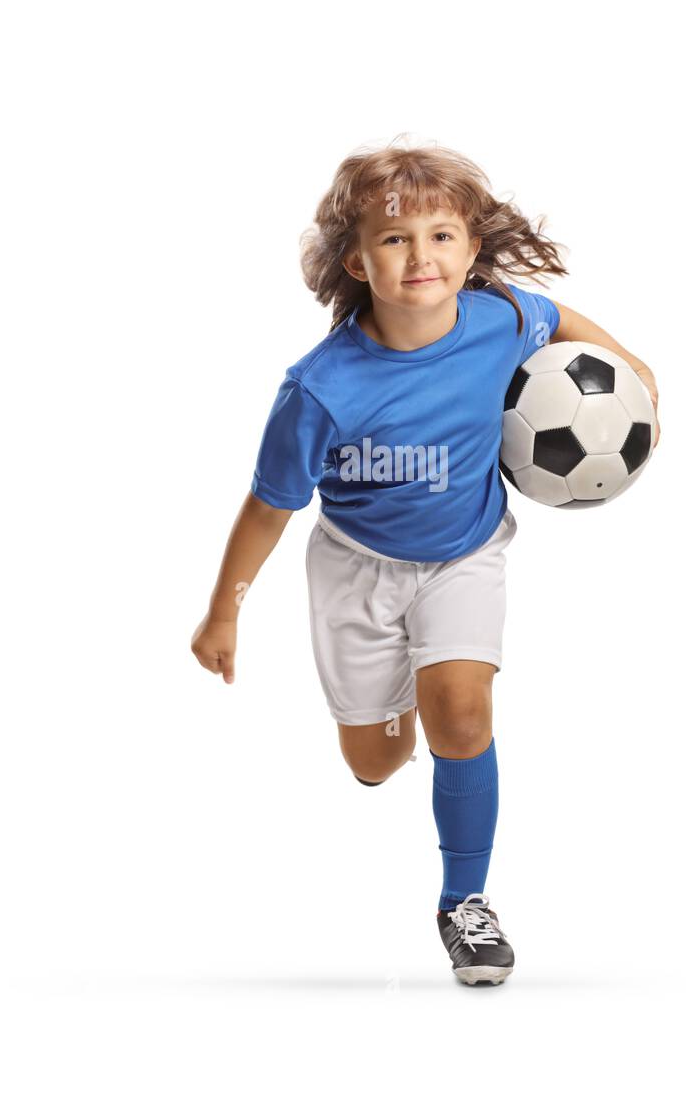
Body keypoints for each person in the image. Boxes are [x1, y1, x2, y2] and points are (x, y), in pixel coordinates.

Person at [191, 140, 660, 986]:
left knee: (464, 716)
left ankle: (464, 905)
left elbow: (553, 317)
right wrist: (226, 608)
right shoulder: (320, 389)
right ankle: (396, 701)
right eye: (397, 239)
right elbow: (267, 509)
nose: (423, 256)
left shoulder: (497, 321)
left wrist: (632, 364)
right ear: (356, 260)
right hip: (357, 569)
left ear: (472, 252)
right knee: (373, 763)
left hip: (464, 556)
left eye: (443, 236)